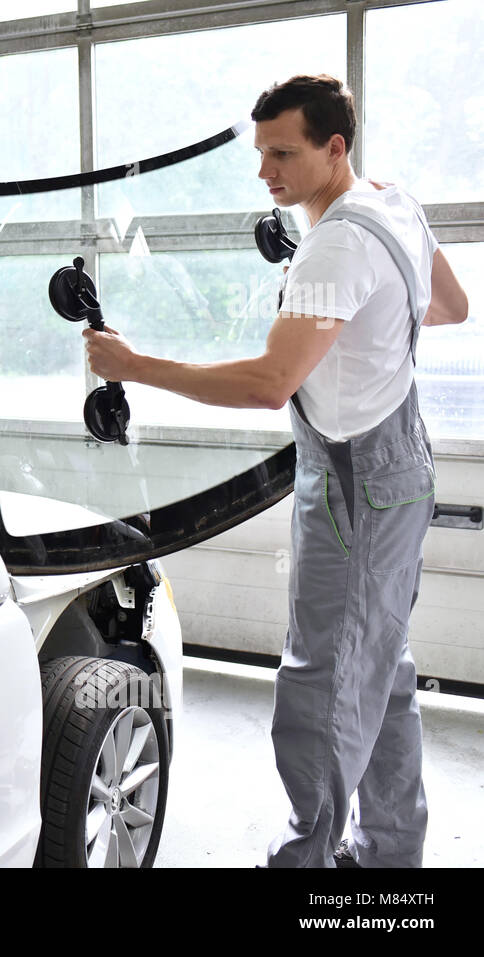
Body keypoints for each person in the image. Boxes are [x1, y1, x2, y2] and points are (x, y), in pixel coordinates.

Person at [83, 74, 470, 867]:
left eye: (283, 153)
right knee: (381, 664)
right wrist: (344, 314)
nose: (266, 173)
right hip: (401, 459)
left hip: (355, 482)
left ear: (335, 146)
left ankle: (309, 860)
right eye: (260, 153)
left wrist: (133, 364)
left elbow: (268, 384)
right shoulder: (393, 201)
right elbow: (449, 306)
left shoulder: (337, 242)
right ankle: (389, 854)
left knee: (322, 679)